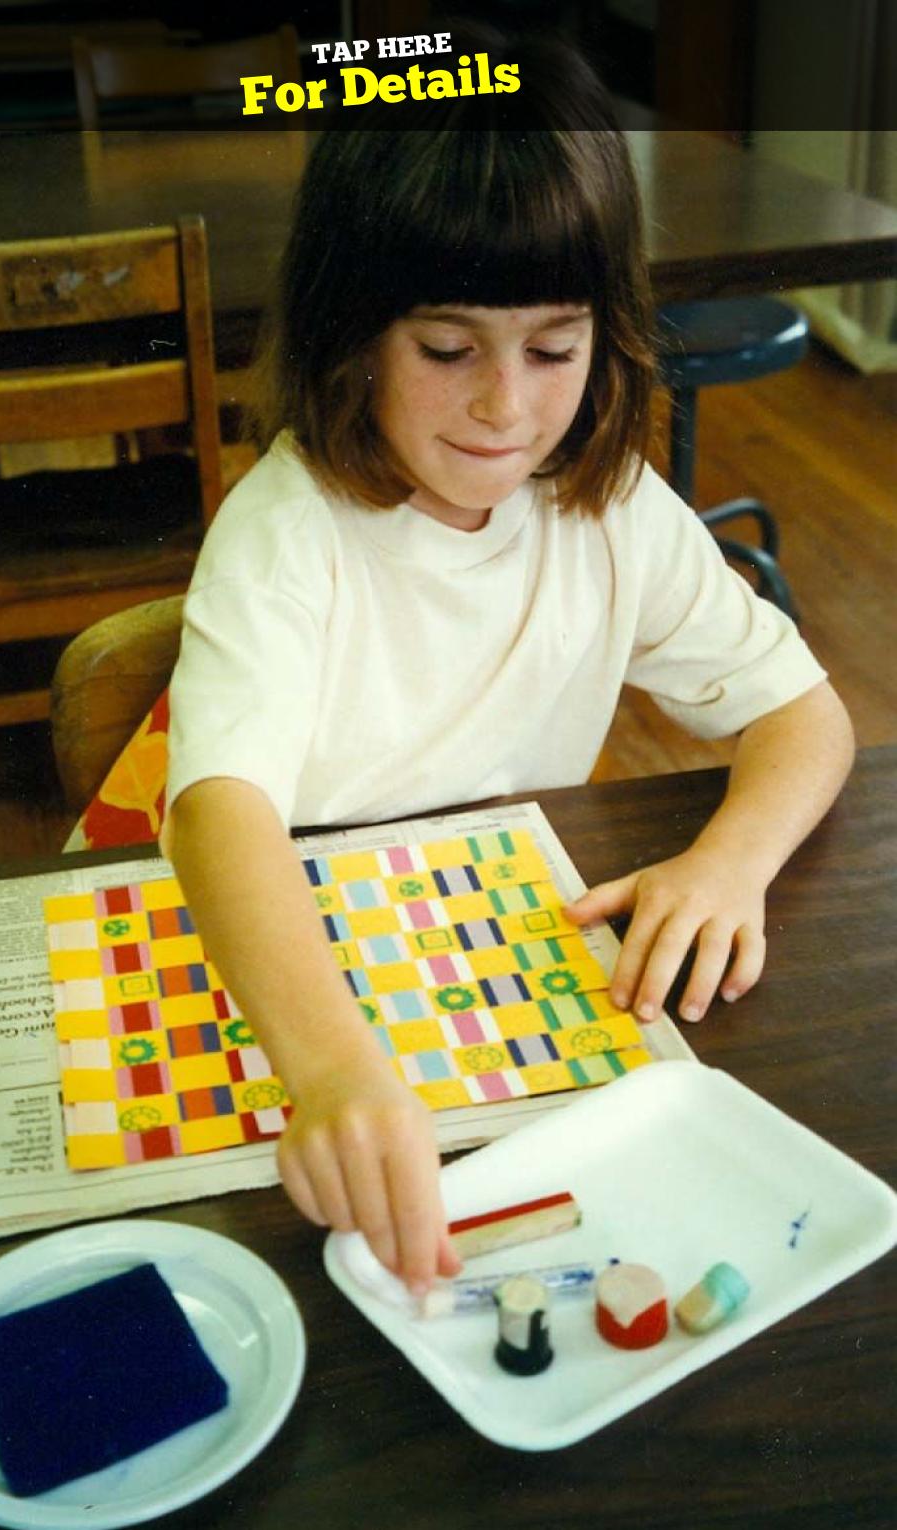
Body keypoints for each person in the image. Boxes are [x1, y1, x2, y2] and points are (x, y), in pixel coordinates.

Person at [164, 36, 854, 1295]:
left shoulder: (611, 507)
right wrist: (326, 1063)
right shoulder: (288, 529)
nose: (505, 409)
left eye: (555, 348)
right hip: (297, 961)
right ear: (349, 333)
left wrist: (729, 863)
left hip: (484, 960)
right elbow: (218, 812)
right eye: (446, 349)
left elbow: (808, 716)